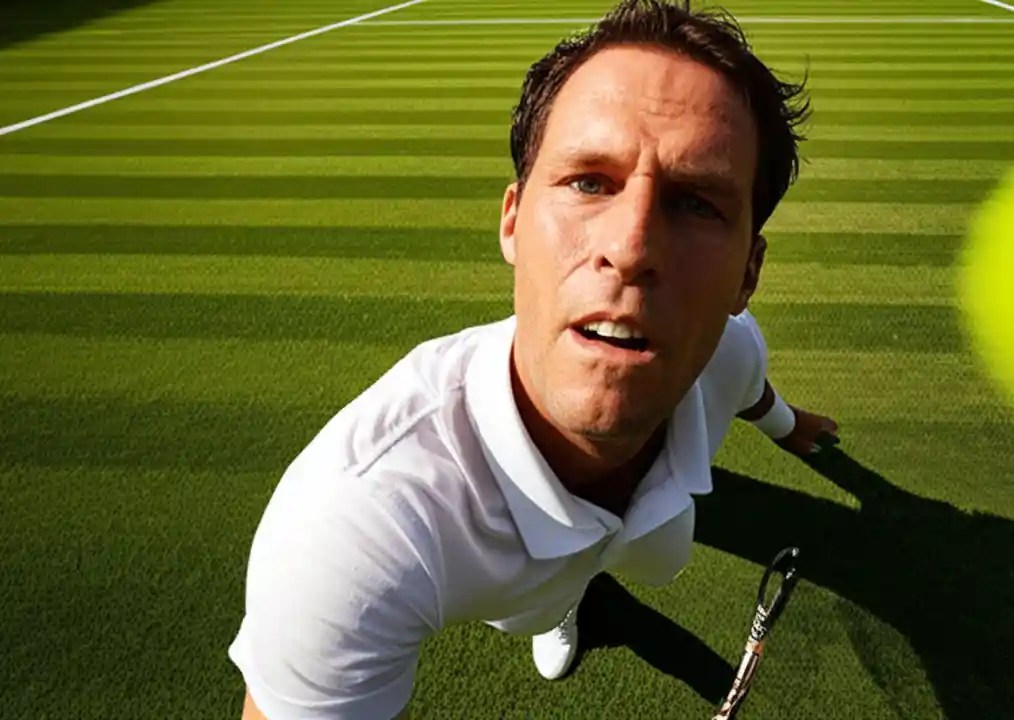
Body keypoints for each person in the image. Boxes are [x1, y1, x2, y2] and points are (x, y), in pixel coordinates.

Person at [230, 1, 838, 717]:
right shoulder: (351, 530)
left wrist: (790, 427)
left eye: (697, 203)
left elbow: (751, 389)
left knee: (656, 559)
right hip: (517, 597)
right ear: (513, 220)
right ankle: (561, 606)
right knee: (533, 604)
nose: (633, 247)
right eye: (589, 182)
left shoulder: (725, 351)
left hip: (650, 539)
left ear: (747, 275)